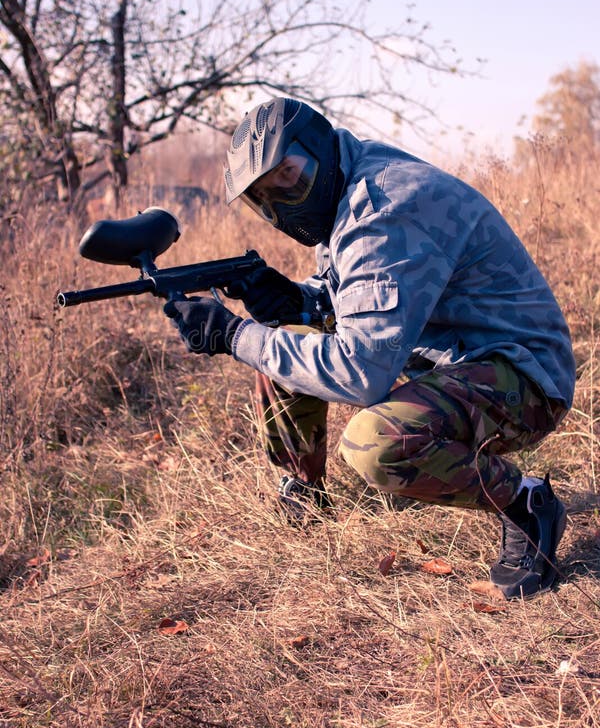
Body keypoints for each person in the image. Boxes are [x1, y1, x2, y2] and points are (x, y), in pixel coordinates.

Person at [164, 98, 576, 600]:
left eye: (290, 176)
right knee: (287, 341)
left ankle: (525, 503)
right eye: (266, 196)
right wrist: (299, 300)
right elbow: (356, 293)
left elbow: (361, 373)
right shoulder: (349, 179)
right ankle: (307, 495)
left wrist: (236, 336)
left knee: (373, 441)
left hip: (524, 378)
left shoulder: (382, 206)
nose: (284, 203)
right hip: (445, 359)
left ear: (316, 149)